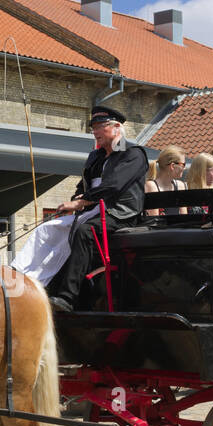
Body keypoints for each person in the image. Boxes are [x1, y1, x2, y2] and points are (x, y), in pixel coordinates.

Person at [45, 105, 150, 311]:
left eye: (100, 126)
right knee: (49, 229)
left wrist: (80, 202)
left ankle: (66, 297)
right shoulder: (96, 156)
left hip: (119, 213)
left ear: (117, 127)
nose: (95, 132)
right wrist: (75, 200)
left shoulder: (133, 154)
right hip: (91, 211)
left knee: (85, 232)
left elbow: (113, 186)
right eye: (93, 127)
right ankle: (36, 283)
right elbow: (82, 186)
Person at [144, 145, 189, 216]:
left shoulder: (180, 186)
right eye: (183, 164)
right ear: (172, 166)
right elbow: (154, 219)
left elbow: (184, 217)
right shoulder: (152, 186)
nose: (184, 168)